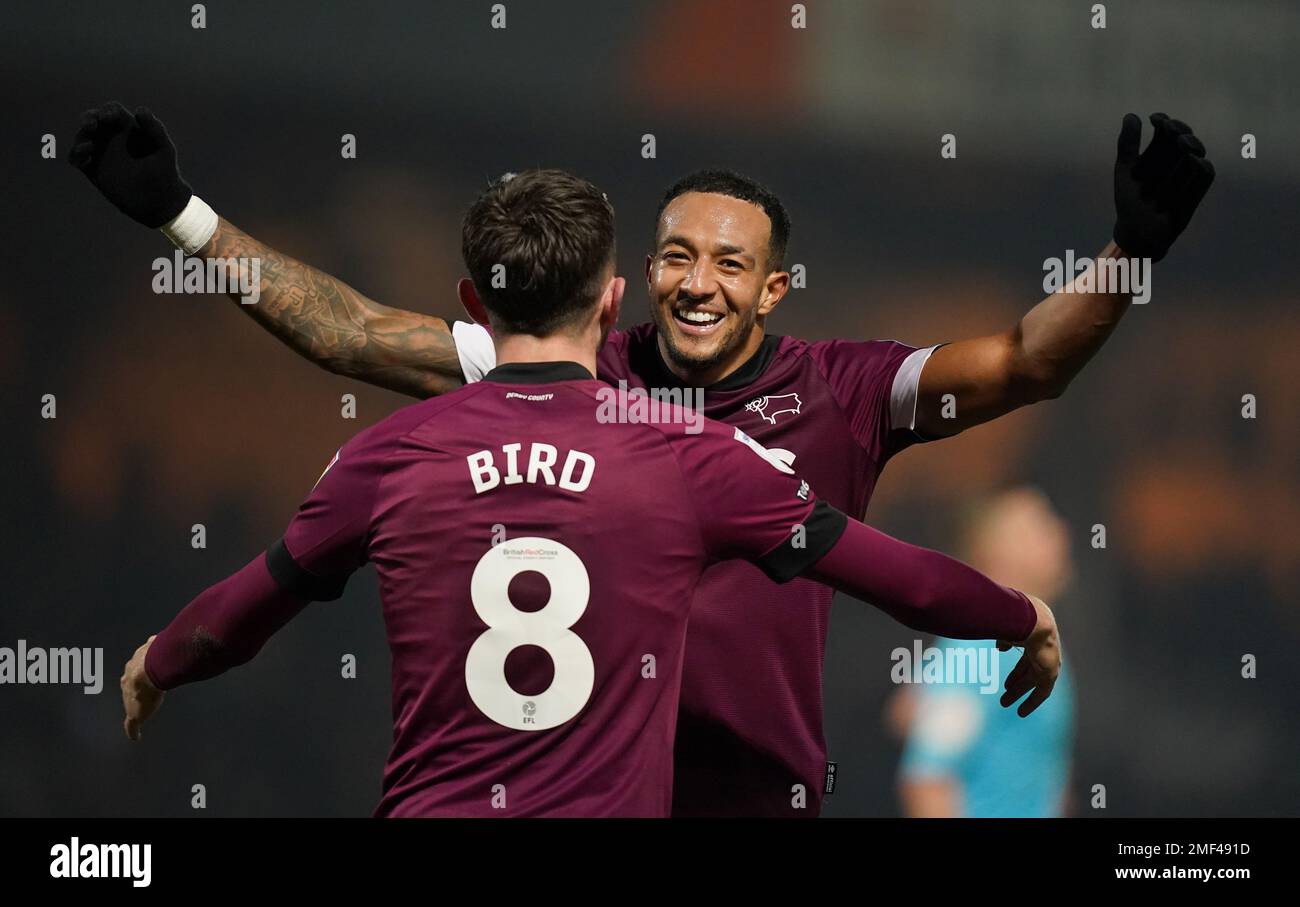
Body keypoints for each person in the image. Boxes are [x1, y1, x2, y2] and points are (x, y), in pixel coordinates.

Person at [74, 102, 1208, 815]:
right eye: (675, 253)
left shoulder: (848, 391)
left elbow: (1020, 363)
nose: (698, 280)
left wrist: (1128, 255)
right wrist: (181, 214)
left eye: (728, 262)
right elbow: (352, 330)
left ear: (772, 290)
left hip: (752, 791)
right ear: (637, 276)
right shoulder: (576, 369)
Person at [891, 487, 1075, 818]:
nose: (1059, 532)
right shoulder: (982, 648)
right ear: (992, 553)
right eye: (1035, 527)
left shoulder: (1036, 643)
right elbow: (928, 782)